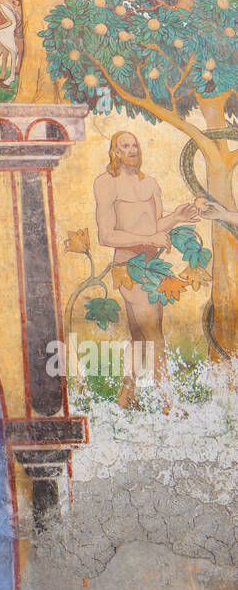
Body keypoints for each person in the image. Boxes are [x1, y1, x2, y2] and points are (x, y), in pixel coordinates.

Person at [94, 131, 198, 409]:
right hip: (130, 267)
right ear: (114, 152)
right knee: (154, 334)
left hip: (153, 266)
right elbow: (106, 236)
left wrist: (176, 217)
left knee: (140, 335)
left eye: (135, 145)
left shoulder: (150, 183)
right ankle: (169, 402)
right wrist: (147, 240)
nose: (132, 149)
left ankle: (126, 395)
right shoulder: (106, 184)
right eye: (124, 146)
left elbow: (153, 228)